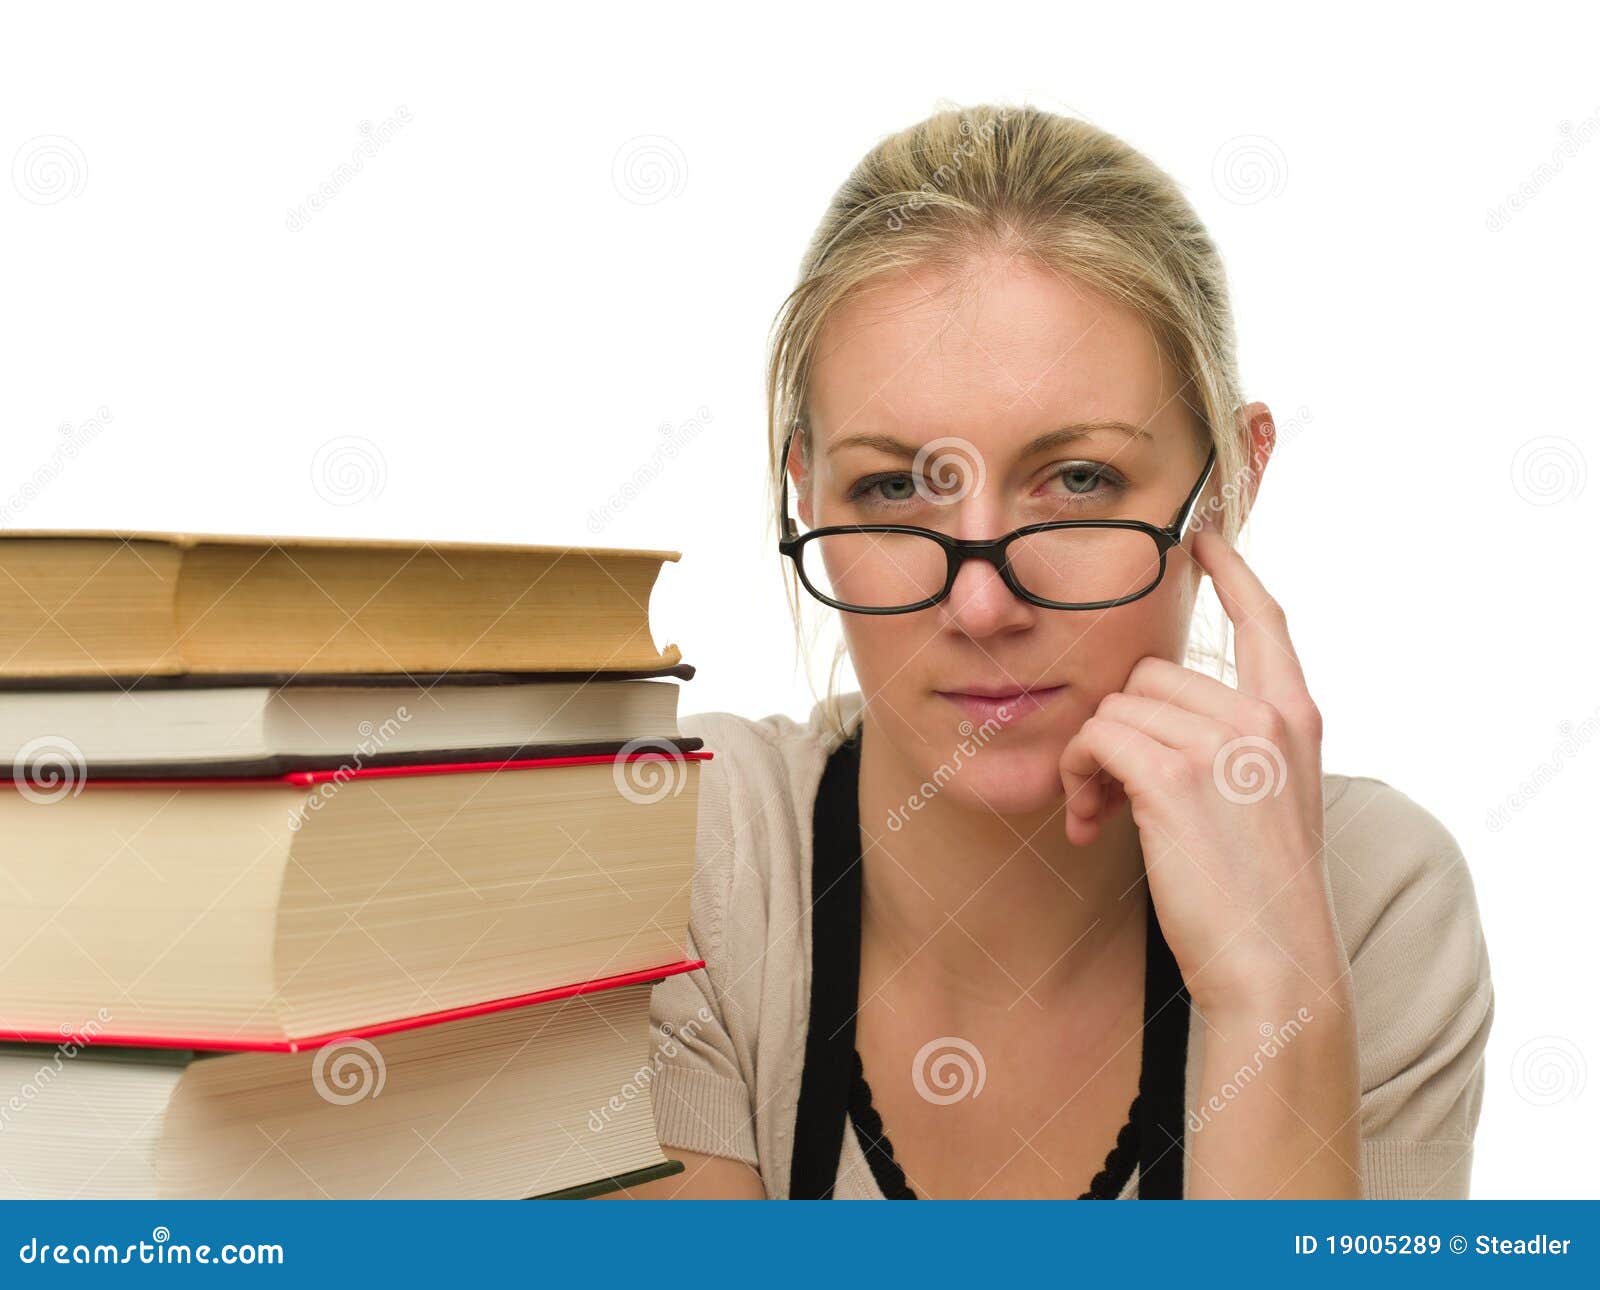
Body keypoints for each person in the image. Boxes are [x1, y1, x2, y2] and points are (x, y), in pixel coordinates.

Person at [611, 104, 1492, 1199]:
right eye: (893, 489)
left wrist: (1274, 994)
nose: (980, 604)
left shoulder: (1373, 900)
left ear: (1228, 482)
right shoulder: (677, 848)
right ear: (804, 487)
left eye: (1078, 480)